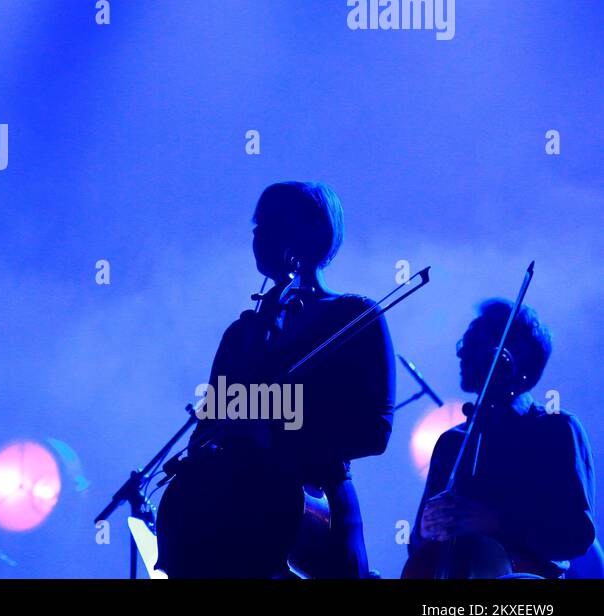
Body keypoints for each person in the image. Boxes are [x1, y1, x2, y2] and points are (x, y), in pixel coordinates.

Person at [156, 181, 395, 578]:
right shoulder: (242, 333)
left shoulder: (355, 317)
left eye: (271, 222)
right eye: (256, 225)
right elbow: (207, 429)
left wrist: (276, 431)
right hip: (233, 522)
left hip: (316, 512)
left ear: (312, 232)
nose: (257, 234)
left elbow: (376, 431)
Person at [404, 301, 596, 578]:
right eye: (463, 343)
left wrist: (496, 521)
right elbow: (417, 545)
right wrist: (427, 528)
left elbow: (576, 534)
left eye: (473, 342)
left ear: (512, 357)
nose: (461, 353)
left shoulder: (556, 429)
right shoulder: (451, 442)